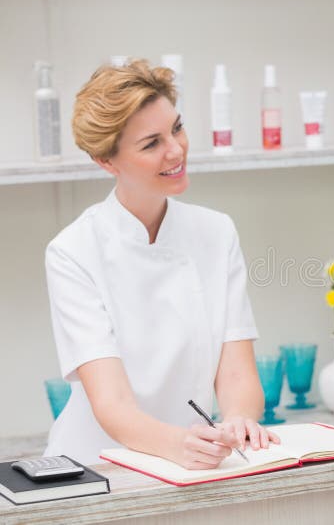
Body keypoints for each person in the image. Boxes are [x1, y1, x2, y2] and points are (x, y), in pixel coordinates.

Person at [44, 60, 278, 468]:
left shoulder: (216, 232)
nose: (176, 150)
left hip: (193, 465)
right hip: (97, 468)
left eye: (177, 128)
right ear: (107, 162)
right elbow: (113, 404)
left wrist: (240, 420)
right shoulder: (72, 252)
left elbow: (237, 372)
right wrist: (179, 445)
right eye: (151, 143)